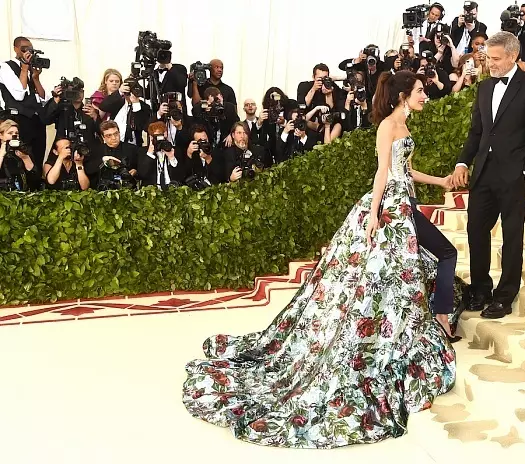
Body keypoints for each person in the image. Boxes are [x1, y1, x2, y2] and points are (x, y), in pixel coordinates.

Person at [182, 70, 465, 448]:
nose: (425, 95)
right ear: (402, 95)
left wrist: (441, 182)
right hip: (393, 209)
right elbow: (382, 173)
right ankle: (431, 321)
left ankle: (435, 317)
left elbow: (405, 170)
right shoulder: (386, 126)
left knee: (427, 262)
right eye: (419, 91)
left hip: (405, 203)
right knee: (400, 272)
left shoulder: (404, 123)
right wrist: (373, 215)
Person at [452, 31, 525, 319]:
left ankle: (505, 295)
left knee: (512, 236)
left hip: (514, 174)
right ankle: (481, 288)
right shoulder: (484, 88)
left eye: (495, 59)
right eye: (487, 58)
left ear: (512, 56)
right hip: (483, 172)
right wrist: (462, 163)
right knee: (475, 231)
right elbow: (477, 133)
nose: (490, 64)